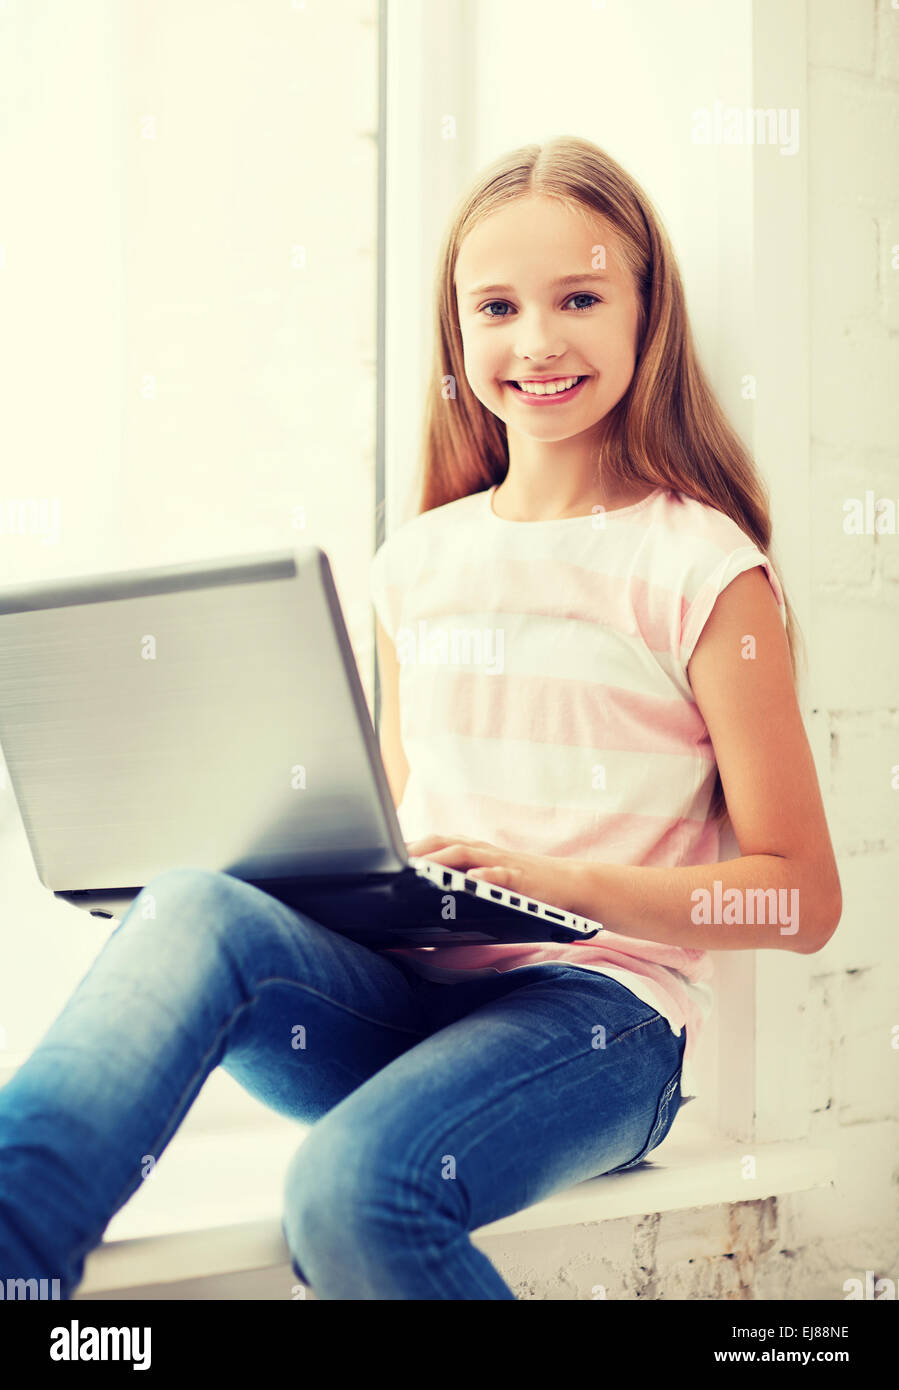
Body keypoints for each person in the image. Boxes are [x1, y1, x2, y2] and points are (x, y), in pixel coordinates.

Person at [0, 135, 841, 1301]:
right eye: (496, 306)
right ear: (456, 333)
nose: (535, 340)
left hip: (599, 1018)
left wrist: (560, 883)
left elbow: (799, 897)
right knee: (192, 902)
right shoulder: (415, 564)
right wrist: (314, 876)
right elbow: (398, 822)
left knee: (352, 1191)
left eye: (579, 298)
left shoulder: (703, 568)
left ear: (647, 314)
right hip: (407, 1000)